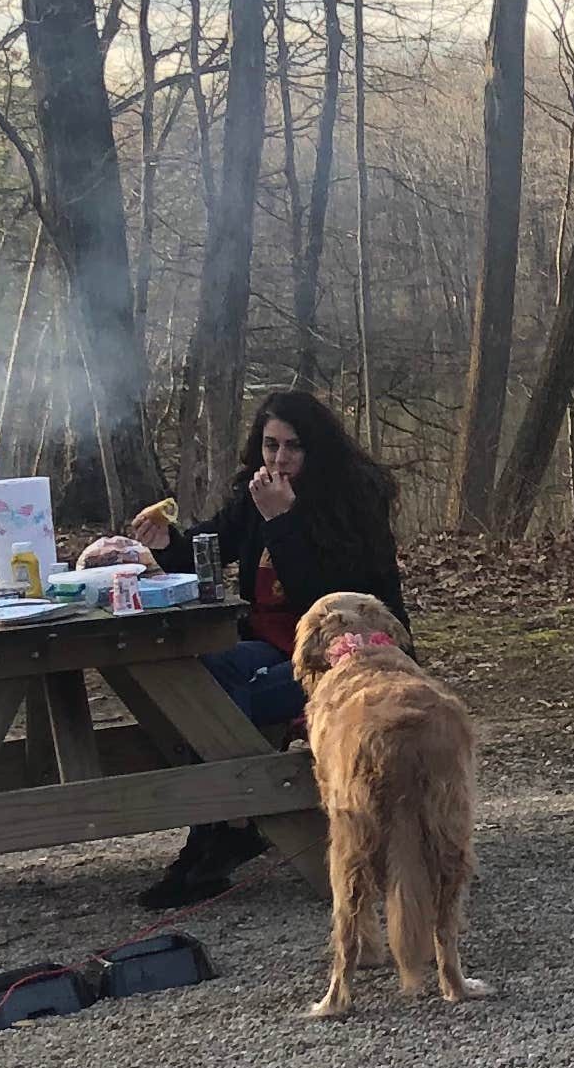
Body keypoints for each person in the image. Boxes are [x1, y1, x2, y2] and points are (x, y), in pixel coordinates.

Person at [133, 387, 408, 906]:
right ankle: (223, 826)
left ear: (317, 450)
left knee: (228, 706)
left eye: (292, 447)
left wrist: (283, 523)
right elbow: (209, 546)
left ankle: (228, 827)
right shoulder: (256, 493)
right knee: (197, 677)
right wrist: (166, 542)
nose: (279, 459)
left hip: (349, 655)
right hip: (270, 648)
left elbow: (330, 604)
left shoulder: (353, 499)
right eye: (269, 445)